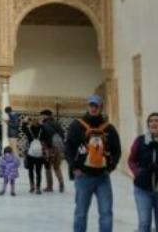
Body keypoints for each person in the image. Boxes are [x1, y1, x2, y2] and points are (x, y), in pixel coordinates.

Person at [66, 94, 121, 232]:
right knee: (81, 212)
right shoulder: (77, 126)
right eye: (91, 105)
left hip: (103, 177)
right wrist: (74, 168)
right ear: (88, 106)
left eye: (96, 106)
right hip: (83, 176)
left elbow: (117, 150)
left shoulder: (109, 128)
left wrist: (110, 167)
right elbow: (69, 148)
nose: (94, 108)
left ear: (101, 108)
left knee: (106, 212)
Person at [127, 112, 158, 232]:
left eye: (157, 120)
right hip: (142, 189)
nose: (153, 123)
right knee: (144, 223)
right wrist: (138, 173)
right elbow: (131, 160)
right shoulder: (140, 141)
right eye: (150, 121)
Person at [41, 109, 67, 193]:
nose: (41, 117)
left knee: (48, 167)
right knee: (57, 167)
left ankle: (49, 186)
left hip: (49, 148)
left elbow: (43, 137)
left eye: (42, 115)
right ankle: (61, 183)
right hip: (59, 148)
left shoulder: (44, 124)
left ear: (45, 115)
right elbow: (63, 135)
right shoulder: (57, 124)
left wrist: (45, 147)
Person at [22, 115, 49, 194]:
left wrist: (25, 121)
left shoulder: (29, 130)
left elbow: (23, 128)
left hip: (31, 153)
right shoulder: (42, 129)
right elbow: (46, 135)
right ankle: (38, 188)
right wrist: (42, 123)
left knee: (30, 171)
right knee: (38, 172)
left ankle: (32, 186)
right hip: (39, 154)